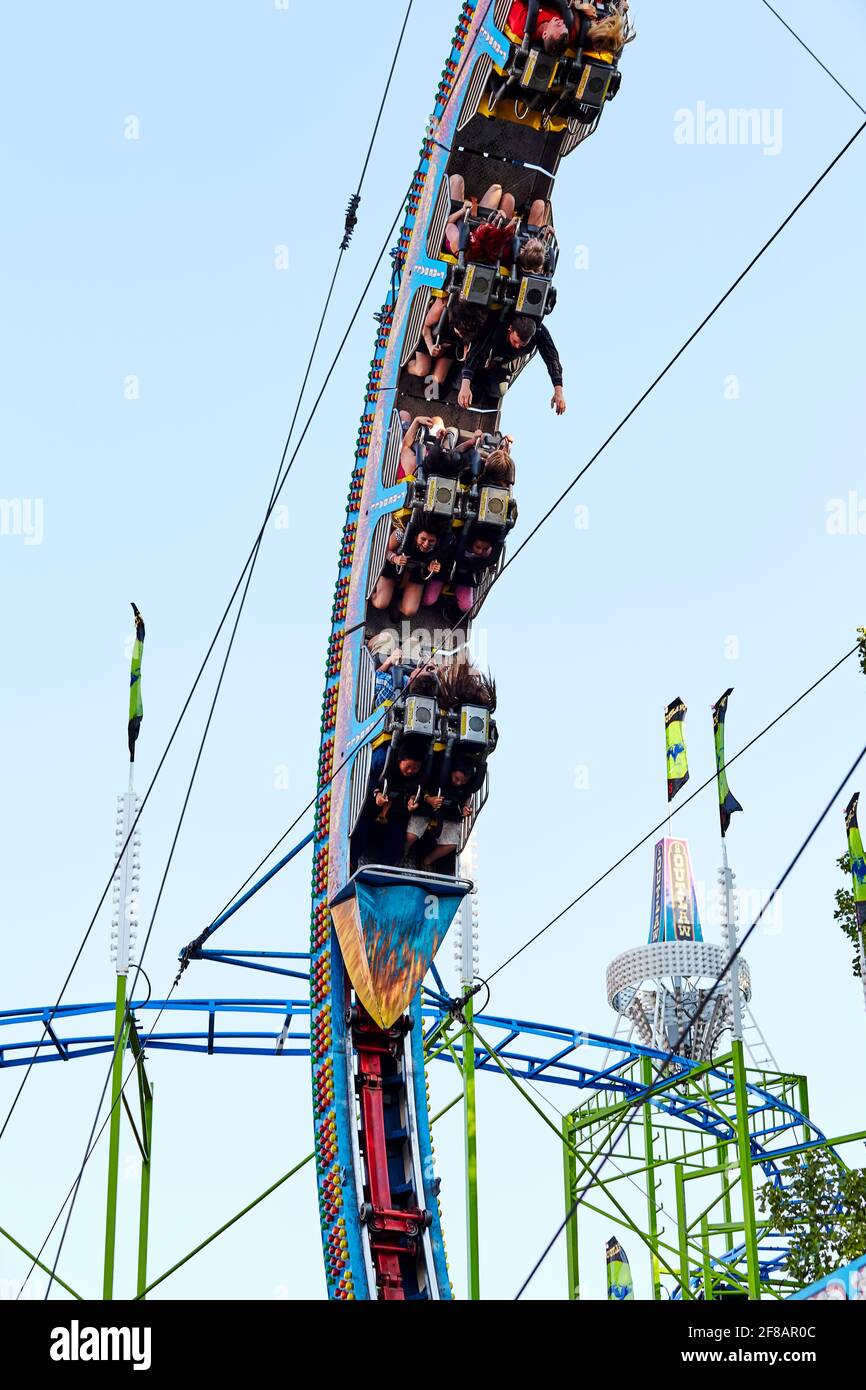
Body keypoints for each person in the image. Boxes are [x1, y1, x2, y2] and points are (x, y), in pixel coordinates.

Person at [457, 312, 566, 414]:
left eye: (522, 344)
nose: (517, 346)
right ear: (510, 328)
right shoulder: (497, 322)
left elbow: (552, 359)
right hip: (483, 355)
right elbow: (475, 352)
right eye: (515, 341)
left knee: (498, 390)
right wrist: (465, 385)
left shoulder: (539, 332)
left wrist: (558, 391)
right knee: (464, 386)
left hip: (503, 363)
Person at [355, 736, 428, 867]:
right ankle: (352, 860)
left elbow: (418, 788)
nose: (411, 771)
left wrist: (412, 799)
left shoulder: (420, 774)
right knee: (362, 824)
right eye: (408, 766)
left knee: (397, 834)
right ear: (400, 760)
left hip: (396, 805)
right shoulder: (382, 758)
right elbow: (367, 776)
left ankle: (388, 867)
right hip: (372, 801)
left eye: (416, 768)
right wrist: (376, 793)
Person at [404, 298, 489, 401]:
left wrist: (466, 354)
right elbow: (425, 326)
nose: (461, 335)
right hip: (430, 339)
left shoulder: (473, 326)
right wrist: (430, 346)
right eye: (459, 333)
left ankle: (433, 377)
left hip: (450, 348)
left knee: (433, 389)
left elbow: (469, 345)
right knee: (422, 370)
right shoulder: (443, 308)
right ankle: (408, 365)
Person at [404, 757, 477, 868]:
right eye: (456, 778)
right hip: (426, 808)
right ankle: (403, 854)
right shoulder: (438, 775)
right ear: (452, 771)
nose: (458, 783)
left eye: (463, 781)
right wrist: (429, 799)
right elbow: (419, 789)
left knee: (452, 843)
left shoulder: (465, 787)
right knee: (411, 836)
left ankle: (426, 862)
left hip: (448, 813)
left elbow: (464, 801)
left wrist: (465, 809)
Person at [371, 522, 455, 617]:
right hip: (393, 568)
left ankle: (396, 603)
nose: (426, 544)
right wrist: (394, 558)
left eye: (431, 541)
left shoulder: (442, 545)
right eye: (423, 539)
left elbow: (442, 563)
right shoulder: (402, 533)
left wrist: (431, 568)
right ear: (415, 537)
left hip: (417, 573)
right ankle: (371, 595)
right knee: (381, 603)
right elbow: (383, 549)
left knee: (410, 611)